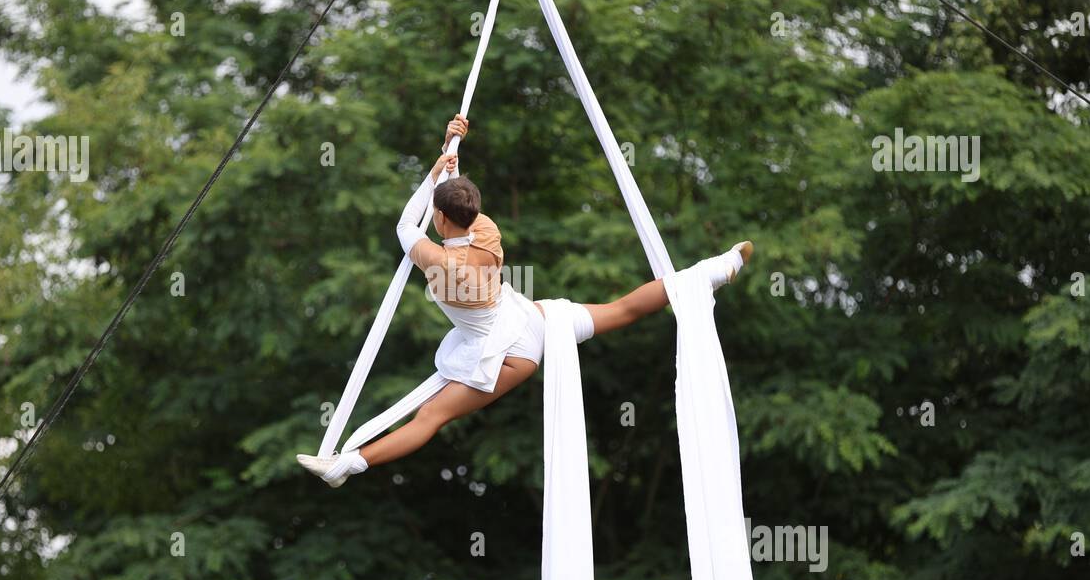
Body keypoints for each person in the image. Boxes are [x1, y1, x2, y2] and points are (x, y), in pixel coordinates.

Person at [298, 114, 752, 487]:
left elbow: (405, 224)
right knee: (622, 309)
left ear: (439, 216)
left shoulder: (436, 259)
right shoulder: (486, 234)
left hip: (508, 352)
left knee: (430, 417)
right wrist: (449, 154)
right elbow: (453, 203)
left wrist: (439, 168)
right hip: (533, 318)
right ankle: (715, 270)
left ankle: (348, 465)